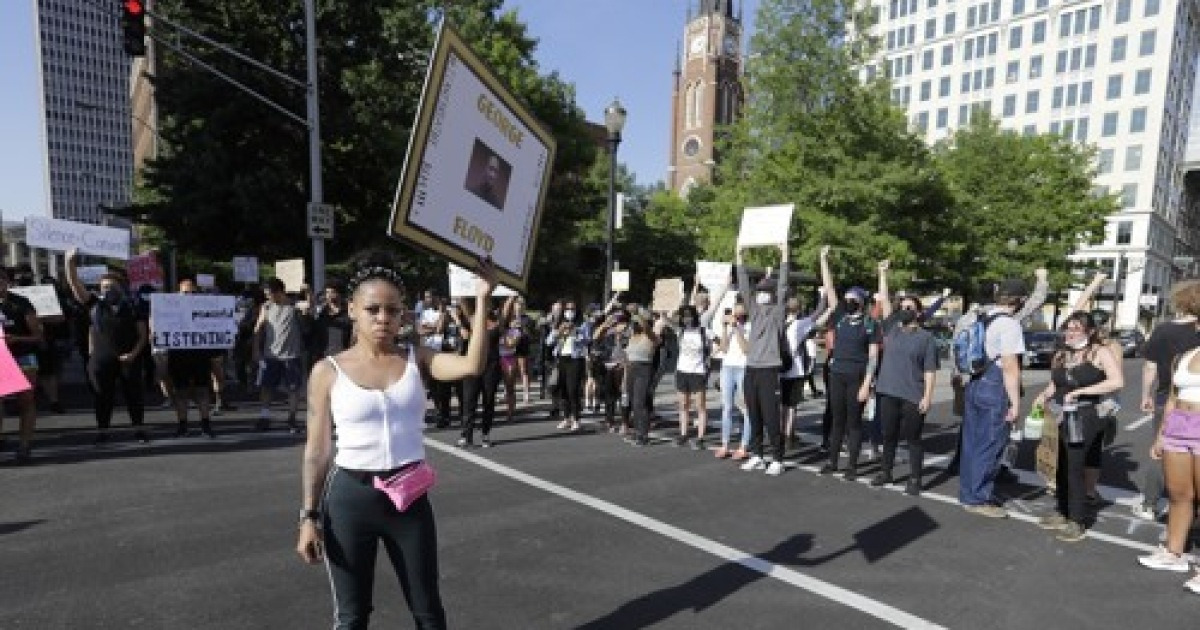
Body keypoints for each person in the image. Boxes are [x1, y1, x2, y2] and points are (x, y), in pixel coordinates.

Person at [296, 252, 499, 630]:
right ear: (353, 309)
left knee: (428, 612)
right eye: (372, 309)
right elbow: (317, 450)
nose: (382, 319)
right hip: (349, 501)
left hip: (409, 499)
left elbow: (471, 366)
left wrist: (483, 297)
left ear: (403, 314)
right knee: (352, 617)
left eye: (392, 311)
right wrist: (308, 516)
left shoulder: (416, 359)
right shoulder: (327, 371)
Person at [1031, 312, 1124, 541]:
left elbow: (1116, 381)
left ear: (1090, 331)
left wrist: (1083, 391)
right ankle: (1062, 511)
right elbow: (1055, 383)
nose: (1070, 333)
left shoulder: (1100, 352)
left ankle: (1077, 520)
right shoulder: (1063, 353)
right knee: (1060, 463)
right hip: (1060, 413)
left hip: (1086, 414)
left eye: (1076, 329)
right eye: (1068, 329)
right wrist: (1042, 397)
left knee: (1075, 465)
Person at [1137, 285, 1200, 592]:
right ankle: (1174, 552)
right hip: (1179, 427)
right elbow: (1173, 397)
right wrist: (1161, 435)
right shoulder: (1186, 356)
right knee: (1178, 493)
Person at [958, 279, 1029, 518]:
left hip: (976, 383)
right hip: (994, 388)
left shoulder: (982, 317)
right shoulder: (1009, 325)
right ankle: (979, 498)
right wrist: (1015, 403)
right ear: (1019, 300)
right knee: (990, 444)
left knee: (971, 442)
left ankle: (969, 491)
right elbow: (1010, 365)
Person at [65, 250, 150, 445]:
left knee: (134, 395)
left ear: (121, 288)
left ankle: (138, 429)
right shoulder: (95, 305)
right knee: (103, 397)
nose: (107, 290)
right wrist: (70, 263)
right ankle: (103, 431)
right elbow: (75, 285)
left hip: (129, 358)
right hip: (101, 360)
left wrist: (133, 354)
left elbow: (143, 335)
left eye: (111, 287)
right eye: (103, 287)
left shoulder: (133, 307)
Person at [870, 294, 940, 495]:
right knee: (888, 435)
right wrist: (883, 274)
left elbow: (930, 371)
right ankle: (886, 472)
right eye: (902, 307)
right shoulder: (892, 329)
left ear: (918, 312)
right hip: (887, 391)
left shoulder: (926, 338)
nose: (905, 311)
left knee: (913, 439)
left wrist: (927, 397)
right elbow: (884, 302)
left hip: (912, 395)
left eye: (909, 308)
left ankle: (915, 478)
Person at [820, 254, 881, 481]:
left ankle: (852, 467)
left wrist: (867, 384)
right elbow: (829, 287)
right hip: (837, 375)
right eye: (846, 298)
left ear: (862, 302)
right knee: (837, 419)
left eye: (853, 299)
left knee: (854, 423)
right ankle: (832, 461)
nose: (848, 301)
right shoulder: (840, 316)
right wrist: (824, 261)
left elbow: (873, 356)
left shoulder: (870, 324)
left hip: (857, 377)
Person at [734, 242, 790, 476]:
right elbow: (745, 287)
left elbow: (784, 286)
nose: (763, 294)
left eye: (768, 291)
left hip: (769, 370)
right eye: (761, 291)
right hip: (751, 369)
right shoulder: (754, 312)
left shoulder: (777, 314)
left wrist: (784, 255)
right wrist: (739, 258)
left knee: (770, 415)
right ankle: (757, 455)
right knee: (753, 413)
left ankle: (777, 458)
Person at [780, 289, 832, 451]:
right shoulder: (800, 324)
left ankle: (781, 434)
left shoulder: (779, 322)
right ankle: (788, 436)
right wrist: (823, 296)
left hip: (780, 369)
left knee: (782, 404)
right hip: (795, 369)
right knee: (792, 406)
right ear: (800, 309)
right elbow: (818, 313)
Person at [0, 267, 43, 462]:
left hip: (23, 358)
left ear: (8, 282)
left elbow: (37, 337)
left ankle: (24, 445)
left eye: (1, 280)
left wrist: (16, 339)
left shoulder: (22, 303)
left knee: (26, 401)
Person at [164, 279, 217, 438]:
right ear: (178, 293)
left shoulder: (205, 308)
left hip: (200, 353)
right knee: (180, 392)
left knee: (202, 390)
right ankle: (182, 425)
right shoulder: (170, 309)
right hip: (178, 354)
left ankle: (205, 425)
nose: (189, 296)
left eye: (193, 292)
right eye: (185, 293)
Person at [254, 278, 306, 433]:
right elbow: (258, 328)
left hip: (291, 355)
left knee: (293, 388)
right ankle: (264, 416)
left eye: (269, 294)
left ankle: (292, 418)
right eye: (266, 294)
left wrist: (308, 292)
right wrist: (256, 350)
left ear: (280, 292)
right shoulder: (267, 307)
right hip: (270, 355)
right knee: (266, 387)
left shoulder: (294, 305)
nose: (268, 297)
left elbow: (309, 306)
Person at [457, 298, 503, 448]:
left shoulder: (497, 322)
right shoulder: (473, 320)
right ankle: (466, 434)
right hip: (472, 364)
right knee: (469, 400)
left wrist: (512, 293)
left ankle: (485, 434)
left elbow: (508, 306)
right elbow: (463, 304)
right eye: (484, 303)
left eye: (489, 304)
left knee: (488, 400)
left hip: (491, 365)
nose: (486, 306)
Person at [714, 301, 753, 460]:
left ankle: (744, 445)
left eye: (738, 313)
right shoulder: (729, 327)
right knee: (727, 407)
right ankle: (725, 444)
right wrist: (724, 327)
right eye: (734, 313)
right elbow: (723, 348)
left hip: (743, 367)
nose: (735, 316)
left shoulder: (750, 326)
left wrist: (737, 328)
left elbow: (746, 349)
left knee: (746, 408)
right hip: (728, 367)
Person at [546, 299, 591, 432]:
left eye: (572, 309)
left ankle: (576, 419)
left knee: (573, 390)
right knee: (563, 390)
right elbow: (548, 342)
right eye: (567, 309)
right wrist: (558, 332)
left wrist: (575, 332)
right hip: (561, 359)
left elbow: (588, 339)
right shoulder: (559, 323)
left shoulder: (583, 324)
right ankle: (566, 418)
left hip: (575, 359)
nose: (569, 312)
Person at [672, 304, 713, 449]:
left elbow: (720, 343)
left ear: (694, 316)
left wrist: (711, 355)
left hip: (697, 372)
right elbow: (666, 320)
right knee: (683, 405)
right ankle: (683, 434)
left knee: (700, 405)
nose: (686, 319)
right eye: (684, 316)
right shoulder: (681, 331)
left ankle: (701, 437)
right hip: (682, 371)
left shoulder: (703, 331)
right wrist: (663, 311)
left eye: (689, 315)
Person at [622, 308, 662, 446]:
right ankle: (638, 431)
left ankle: (643, 435)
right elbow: (627, 356)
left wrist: (637, 313)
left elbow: (646, 328)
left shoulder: (651, 335)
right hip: (632, 368)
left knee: (640, 402)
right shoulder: (633, 336)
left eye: (636, 322)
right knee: (633, 403)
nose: (635, 324)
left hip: (644, 369)